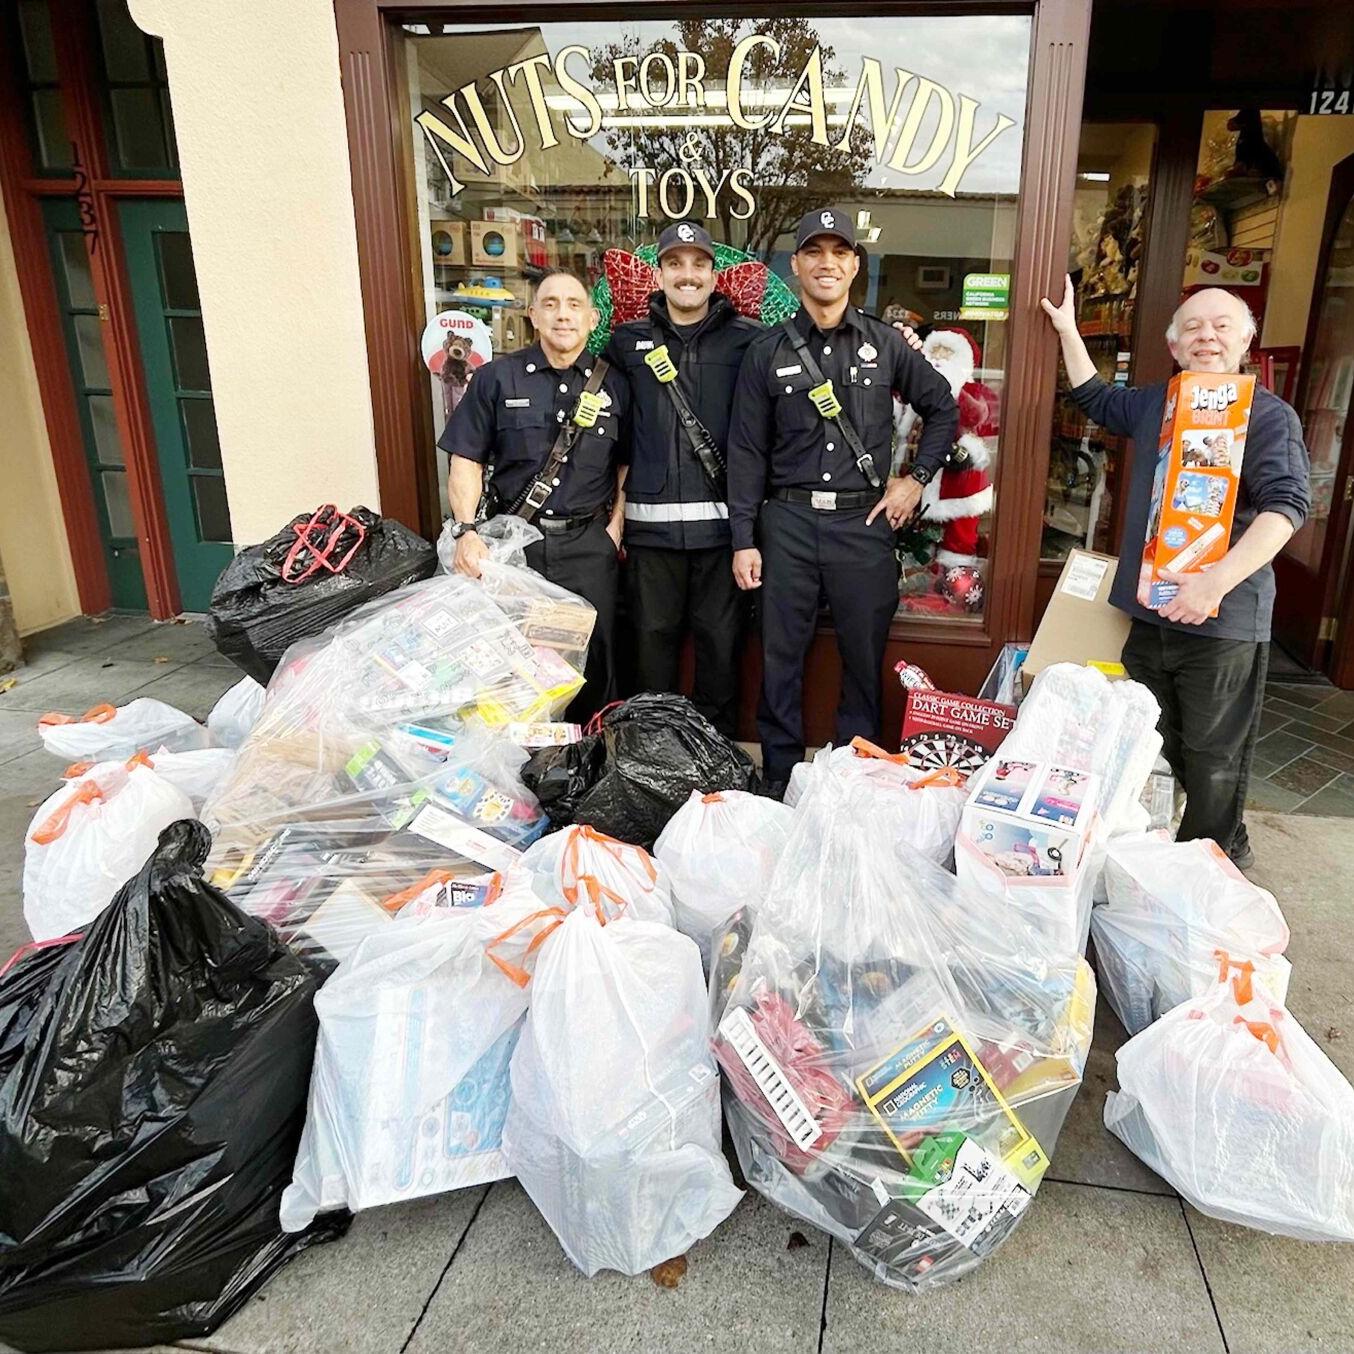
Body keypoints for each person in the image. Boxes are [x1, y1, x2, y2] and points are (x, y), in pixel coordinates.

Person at [1041, 278, 1310, 868]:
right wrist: (1066, 328)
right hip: (1149, 613)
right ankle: (1201, 844)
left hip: (1223, 620)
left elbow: (1287, 508)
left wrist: (1214, 581)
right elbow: (1095, 398)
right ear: (1174, 344)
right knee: (1154, 739)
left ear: (1245, 341)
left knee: (1215, 757)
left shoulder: (1269, 417)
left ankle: (1208, 864)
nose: (1206, 337)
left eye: (1221, 326)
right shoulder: (1159, 403)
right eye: (1192, 327)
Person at [727, 207, 959, 792]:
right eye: (814, 252)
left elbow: (942, 409)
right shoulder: (766, 350)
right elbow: (747, 452)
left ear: (855, 266)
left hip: (863, 522)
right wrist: (744, 539)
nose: (826, 263)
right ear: (797, 265)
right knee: (780, 659)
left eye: (839, 252)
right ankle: (780, 779)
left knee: (862, 658)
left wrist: (915, 479)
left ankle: (855, 782)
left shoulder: (885, 343)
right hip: (787, 523)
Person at [440, 268, 629, 721]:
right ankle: (524, 760)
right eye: (550, 304)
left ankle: (588, 755)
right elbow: (466, 459)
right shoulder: (497, 379)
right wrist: (466, 531)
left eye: (574, 305)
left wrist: (615, 529)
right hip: (516, 548)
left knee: (593, 668)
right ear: (533, 316)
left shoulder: (617, 385)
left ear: (592, 318)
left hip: (589, 549)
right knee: (513, 671)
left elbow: (627, 463)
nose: (563, 315)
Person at [605, 221, 762, 737]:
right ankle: (654, 751)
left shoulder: (748, 342)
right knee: (651, 653)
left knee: (720, 652)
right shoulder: (626, 343)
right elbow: (610, 431)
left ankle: (714, 753)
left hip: (722, 533)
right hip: (650, 535)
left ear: (714, 276)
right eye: (675, 263)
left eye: (698, 264)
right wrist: (614, 516)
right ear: (659, 274)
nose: (687, 274)